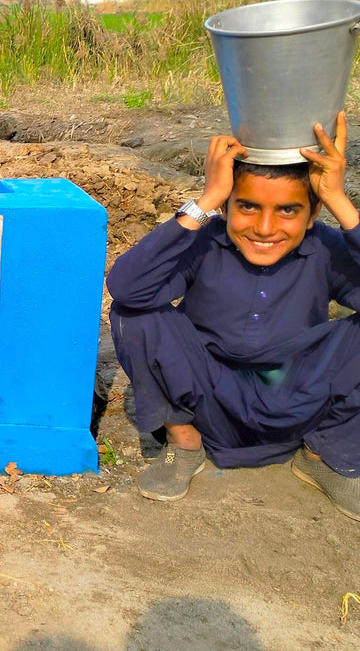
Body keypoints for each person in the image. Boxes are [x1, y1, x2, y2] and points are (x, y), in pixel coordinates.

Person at [108, 112, 360, 518]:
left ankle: (323, 455)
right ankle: (184, 444)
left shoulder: (325, 248)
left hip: (297, 402)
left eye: (288, 211)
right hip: (208, 399)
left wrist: (339, 201)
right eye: (247, 206)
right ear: (226, 206)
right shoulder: (204, 241)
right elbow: (126, 287)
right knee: (133, 312)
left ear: (313, 215)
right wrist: (206, 199)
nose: (265, 227)